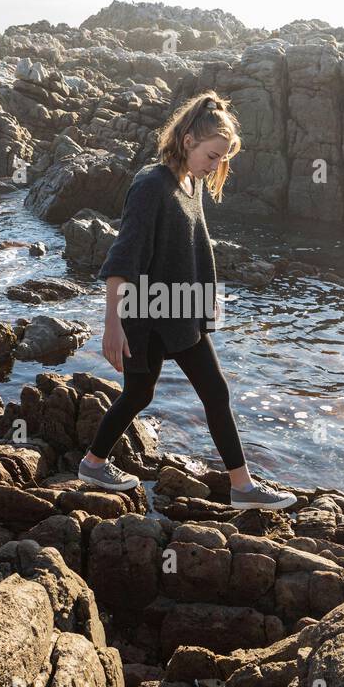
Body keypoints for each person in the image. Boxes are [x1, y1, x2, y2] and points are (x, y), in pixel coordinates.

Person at [76, 90, 297, 511]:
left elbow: (193, 246)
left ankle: (241, 488)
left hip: (178, 309)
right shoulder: (150, 185)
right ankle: (94, 463)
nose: (216, 166)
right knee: (144, 394)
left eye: (222, 159)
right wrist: (112, 324)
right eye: (214, 156)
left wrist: (203, 298)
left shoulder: (190, 182)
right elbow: (124, 255)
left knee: (212, 392)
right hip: (145, 311)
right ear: (189, 140)